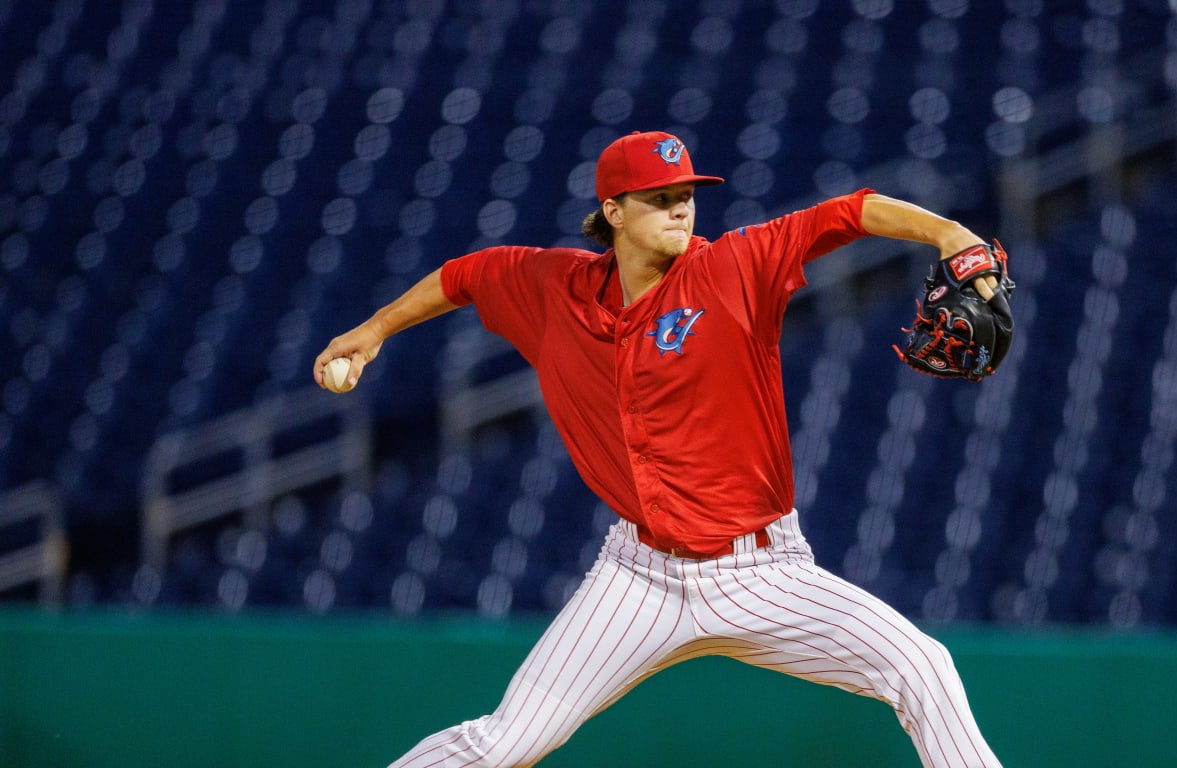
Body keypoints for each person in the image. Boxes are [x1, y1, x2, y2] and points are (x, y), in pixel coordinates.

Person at [314, 130, 1004, 768]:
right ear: (613, 212)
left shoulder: (732, 267)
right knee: (505, 742)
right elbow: (464, 276)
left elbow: (850, 212)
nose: (681, 209)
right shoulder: (554, 287)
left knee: (922, 666)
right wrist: (374, 330)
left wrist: (951, 234)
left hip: (761, 573)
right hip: (637, 576)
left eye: (686, 195)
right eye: (660, 197)